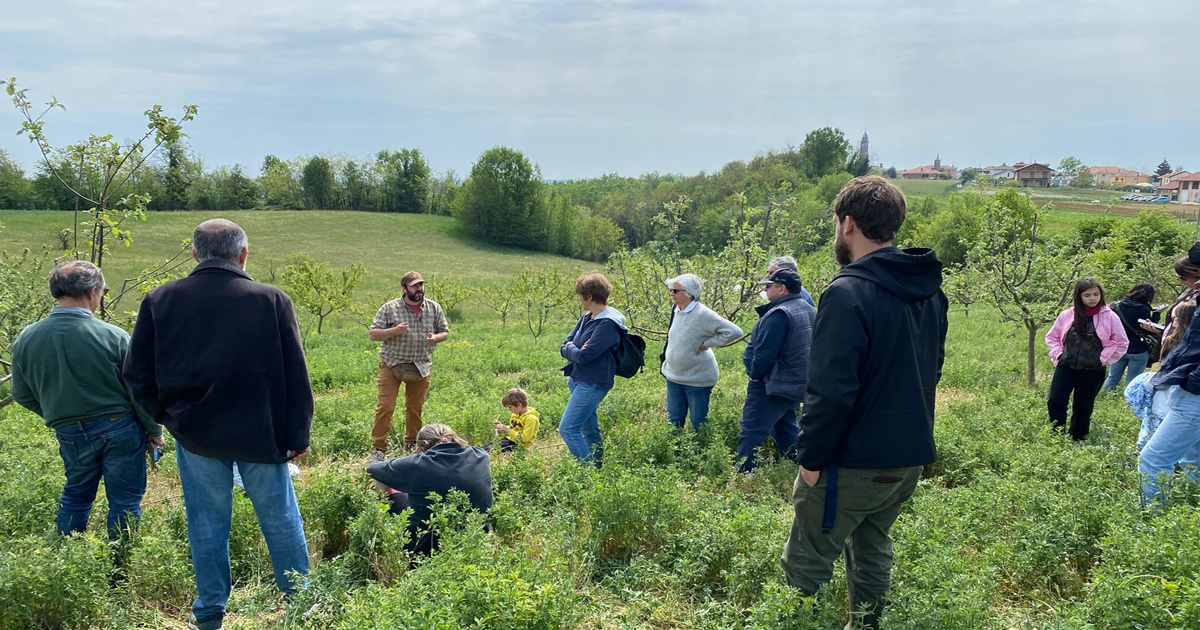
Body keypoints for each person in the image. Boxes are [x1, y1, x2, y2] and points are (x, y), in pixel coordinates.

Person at [124, 219, 313, 630]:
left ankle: (208, 614)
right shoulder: (272, 300)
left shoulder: (160, 299)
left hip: (196, 435)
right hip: (262, 433)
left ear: (194, 253)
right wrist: (298, 435)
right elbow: (296, 375)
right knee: (280, 519)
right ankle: (302, 607)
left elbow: (137, 375)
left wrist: (169, 418)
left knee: (207, 525)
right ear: (243, 254)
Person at [780, 175, 948, 630]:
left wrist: (811, 459)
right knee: (873, 549)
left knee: (806, 564)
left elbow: (830, 391)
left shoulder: (848, 291)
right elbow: (932, 370)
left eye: (837, 223)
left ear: (847, 222)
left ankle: (797, 623)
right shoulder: (931, 290)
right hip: (907, 458)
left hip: (850, 464)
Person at [10, 261, 165, 538]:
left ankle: (68, 550)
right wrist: (154, 431)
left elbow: (22, 395)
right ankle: (120, 565)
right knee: (125, 501)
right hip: (120, 428)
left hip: (69, 431)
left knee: (76, 495)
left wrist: (58, 411)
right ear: (93, 292)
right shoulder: (113, 336)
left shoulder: (26, 339)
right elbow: (138, 392)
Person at [366, 423, 493, 554]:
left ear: (422, 446)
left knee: (385, 482)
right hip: (477, 540)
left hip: (425, 548)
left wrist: (377, 459)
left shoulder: (417, 464)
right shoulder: (481, 455)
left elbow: (373, 469)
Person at [736, 267, 815, 472]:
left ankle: (743, 474)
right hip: (796, 383)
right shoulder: (809, 309)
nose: (765, 290)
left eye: (769, 286)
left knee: (751, 429)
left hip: (772, 384)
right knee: (785, 425)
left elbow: (765, 355)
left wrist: (755, 377)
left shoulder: (779, 314)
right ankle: (793, 468)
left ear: (782, 289)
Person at [368, 272, 450, 457]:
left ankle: (412, 445)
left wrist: (435, 338)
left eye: (421, 285)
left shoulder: (433, 308)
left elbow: (444, 332)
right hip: (392, 363)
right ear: (404, 289)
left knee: (415, 409)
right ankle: (378, 448)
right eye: (414, 286)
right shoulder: (390, 308)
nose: (419, 289)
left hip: (420, 365)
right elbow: (373, 334)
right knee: (386, 407)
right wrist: (394, 330)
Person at [1045, 279, 1128, 441]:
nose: (1092, 298)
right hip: (1066, 366)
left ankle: (1078, 437)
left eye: (1096, 294)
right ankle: (1056, 436)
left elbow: (1121, 343)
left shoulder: (1110, 317)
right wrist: (1058, 354)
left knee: (1083, 405)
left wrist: (1103, 359)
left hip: (1093, 369)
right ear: (1079, 296)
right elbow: (1052, 337)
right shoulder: (1067, 315)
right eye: (1087, 295)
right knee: (1055, 400)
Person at [660, 273, 743, 432]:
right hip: (674, 376)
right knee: (674, 421)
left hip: (697, 379)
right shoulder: (676, 309)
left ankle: (701, 453)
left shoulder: (703, 314)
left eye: (675, 290)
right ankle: (674, 453)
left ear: (689, 293)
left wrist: (707, 343)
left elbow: (734, 331)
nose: (671, 293)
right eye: (670, 290)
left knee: (699, 422)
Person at [559, 273, 626, 466]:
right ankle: (597, 464)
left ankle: (588, 473)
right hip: (577, 378)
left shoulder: (608, 324)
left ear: (589, 296)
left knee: (568, 428)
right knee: (588, 427)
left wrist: (572, 348)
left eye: (580, 295)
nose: (579, 299)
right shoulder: (588, 317)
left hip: (593, 383)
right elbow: (565, 344)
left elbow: (584, 356)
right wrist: (573, 347)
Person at [1141, 296, 1200, 511]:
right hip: (1189, 394)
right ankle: (1190, 509)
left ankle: (1150, 520)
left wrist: (1193, 381)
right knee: (1193, 459)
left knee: (1153, 459)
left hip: (1193, 397)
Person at [1104, 283, 1159, 392]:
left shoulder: (1117, 306)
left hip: (1119, 348)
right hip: (1138, 349)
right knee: (1133, 380)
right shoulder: (1143, 309)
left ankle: (1106, 395)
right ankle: (1129, 400)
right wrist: (1156, 314)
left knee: (1112, 378)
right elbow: (1147, 328)